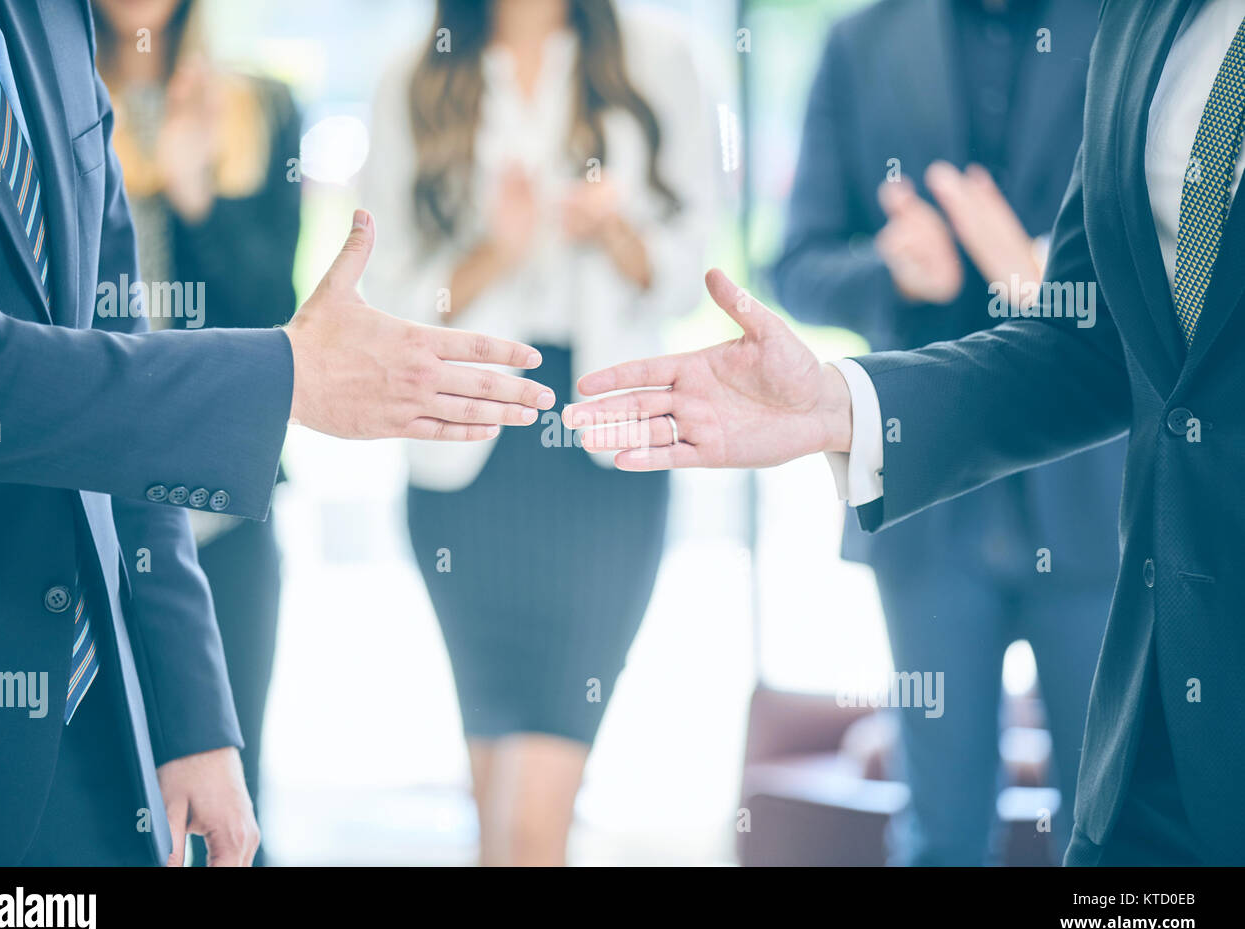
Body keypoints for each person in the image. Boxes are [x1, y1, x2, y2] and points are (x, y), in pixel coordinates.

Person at [567, 0, 1245, 866]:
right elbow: (1095, 338)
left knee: (1083, 795)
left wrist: (1029, 266)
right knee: (952, 829)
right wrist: (842, 390)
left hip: (1094, 517)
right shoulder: (1138, 23)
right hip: (941, 516)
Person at [0, 0, 552, 866]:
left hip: (95, 709)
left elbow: (123, 354)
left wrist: (189, 710)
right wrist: (284, 375)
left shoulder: (50, 19)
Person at [770, 0, 1122, 864]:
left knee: (1110, 826)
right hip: (928, 500)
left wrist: (1034, 264)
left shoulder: (1127, 25)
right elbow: (797, 263)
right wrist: (888, 272)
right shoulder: (860, 43)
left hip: (1097, 496)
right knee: (940, 828)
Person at [362, 0, 712, 865]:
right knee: (495, 811)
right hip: (468, 454)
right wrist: (496, 250)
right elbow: (385, 301)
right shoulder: (416, 72)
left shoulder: (659, 57)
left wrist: (613, 231)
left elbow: (689, 270)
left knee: (530, 815)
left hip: (604, 455)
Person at [91, 0, 300, 867]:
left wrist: (192, 192)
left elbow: (269, 323)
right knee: (107, 795)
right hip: (84, 491)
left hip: (219, 496)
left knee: (229, 787)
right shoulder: (43, 100)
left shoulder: (255, 106)